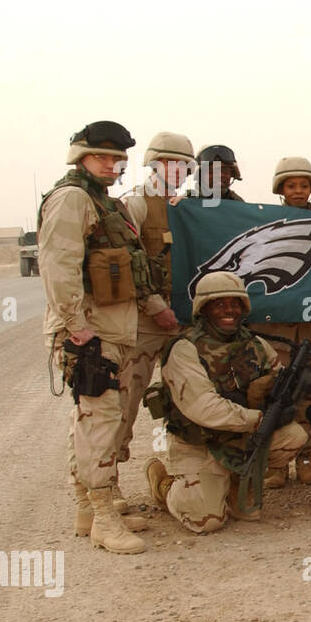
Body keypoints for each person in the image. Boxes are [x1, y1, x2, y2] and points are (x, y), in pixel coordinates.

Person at [38, 121, 152, 553]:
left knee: (89, 419)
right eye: (102, 157)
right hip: (88, 329)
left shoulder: (102, 202)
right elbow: (58, 265)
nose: (111, 165)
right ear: (80, 157)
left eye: (117, 160)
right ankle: (103, 517)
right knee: (101, 420)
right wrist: (75, 325)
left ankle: (88, 508)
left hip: (108, 327)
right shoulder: (72, 199)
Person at [144, 272, 308, 533]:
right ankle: (163, 485)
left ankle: (236, 486)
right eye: (219, 304)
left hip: (242, 437)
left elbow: (279, 382)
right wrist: (255, 419)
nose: (228, 310)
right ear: (203, 309)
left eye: (235, 303)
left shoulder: (256, 345)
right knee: (206, 520)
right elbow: (205, 408)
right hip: (200, 443)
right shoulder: (185, 349)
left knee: (294, 436)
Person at [249, 156, 311, 487]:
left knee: (309, 385)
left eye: (303, 185)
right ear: (280, 189)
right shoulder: (267, 223)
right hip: (278, 317)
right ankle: (278, 463)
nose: (297, 191)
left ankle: (306, 455)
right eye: (290, 185)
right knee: (277, 386)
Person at [116, 133, 190, 485]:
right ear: (154, 165)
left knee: (186, 397)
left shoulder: (184, 208)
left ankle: (181, 473)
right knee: (124, 402)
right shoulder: (136, 204)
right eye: (171, 164)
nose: (178, 171)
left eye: (185, 166)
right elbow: (129, 261)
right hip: (145, 322)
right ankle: (106, 482)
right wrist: (154, 306)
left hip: (179, 320)